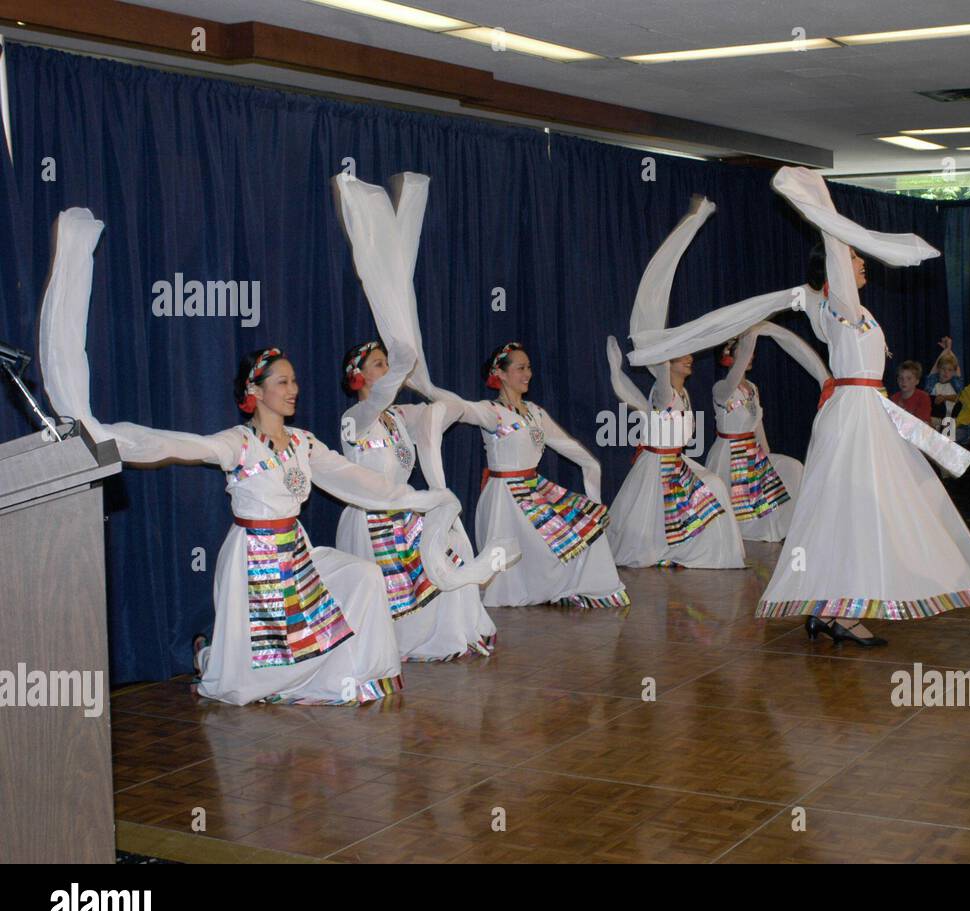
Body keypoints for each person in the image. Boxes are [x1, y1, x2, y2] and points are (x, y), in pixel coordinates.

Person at [38, 208, 461, 706]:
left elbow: (356, 479)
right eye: (282, 382)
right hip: (255, 559)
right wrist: (107, 435)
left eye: (294, 381)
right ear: (253, 391)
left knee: (365, 576)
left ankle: (358, 669)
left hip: (296, 551)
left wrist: (420, 499)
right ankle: (213, 656)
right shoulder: (238, 444)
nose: (293, 389)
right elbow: (173, 444)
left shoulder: (304, 443)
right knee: (243, 677)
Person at [627, 167, 970, 645]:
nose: (861, 264)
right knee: (853, 507)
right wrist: (816, 199)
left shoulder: (852, 311)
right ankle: (836, 608)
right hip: (855, 415)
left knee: (860, 507)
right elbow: (836, 252)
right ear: (834, 270)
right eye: (854, 259)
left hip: (864, 411)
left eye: (859, 259)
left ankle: (833, 606)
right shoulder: (837, 306)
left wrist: (818, 202)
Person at [332, 172, 518, 662]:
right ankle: (390, 644)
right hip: (373, 520)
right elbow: (383, 395)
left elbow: (446, 408)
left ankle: (448, 630)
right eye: (378, 367)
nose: (387, 374)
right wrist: (402, 357)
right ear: (359, 378)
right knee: (396, 588)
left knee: (447, 548)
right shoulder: (360, 415)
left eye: (386, 365)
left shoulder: (401, 416)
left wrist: (438, 390)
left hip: (403, 513)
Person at [605, 197, 746, 567]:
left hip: (677, 464)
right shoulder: (665, 391)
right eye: (683, 355)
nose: (688, 359)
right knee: (654, 531)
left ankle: (700, 550)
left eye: (687, 356)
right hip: (659, 468)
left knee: (714, 487)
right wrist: (658, 350)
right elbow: (655, 373)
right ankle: (676, 549)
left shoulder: (683, 394)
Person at [457, 343, 630, 608]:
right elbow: (462, 410)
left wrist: (592, 469)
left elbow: (569, 447)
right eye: (520, 368)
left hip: (533, 491)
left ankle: (576, 587)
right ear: (500, 374)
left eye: (529, 367)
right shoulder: (491, 412)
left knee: (588, 532)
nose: (528, 373)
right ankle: (543, 585)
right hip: (506, 502)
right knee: (523, 558)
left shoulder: (535, 412)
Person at [702, 327, 810, 542]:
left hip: (752, 452)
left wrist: (766, 458)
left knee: (793, 467)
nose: (750, 356)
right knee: (739, 510)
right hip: (729, 456)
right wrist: (748, 341)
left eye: (751, 352)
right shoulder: (721, 388)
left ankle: (794, 526)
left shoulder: (751, 387)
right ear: (728, 357)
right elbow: (733, 379)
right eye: (743, 352)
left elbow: (757, 425)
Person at [923, 337, 962, 427]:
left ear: (953, 372)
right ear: (938, 369)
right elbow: (935, 367)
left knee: (950, 427)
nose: (946, 372)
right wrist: (946, 349)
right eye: (943, 369)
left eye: (949, 370)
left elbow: (959, 397)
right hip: (936, 417)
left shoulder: (955, 384)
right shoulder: (933, 384)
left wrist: (949, 348)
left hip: (951, 419)